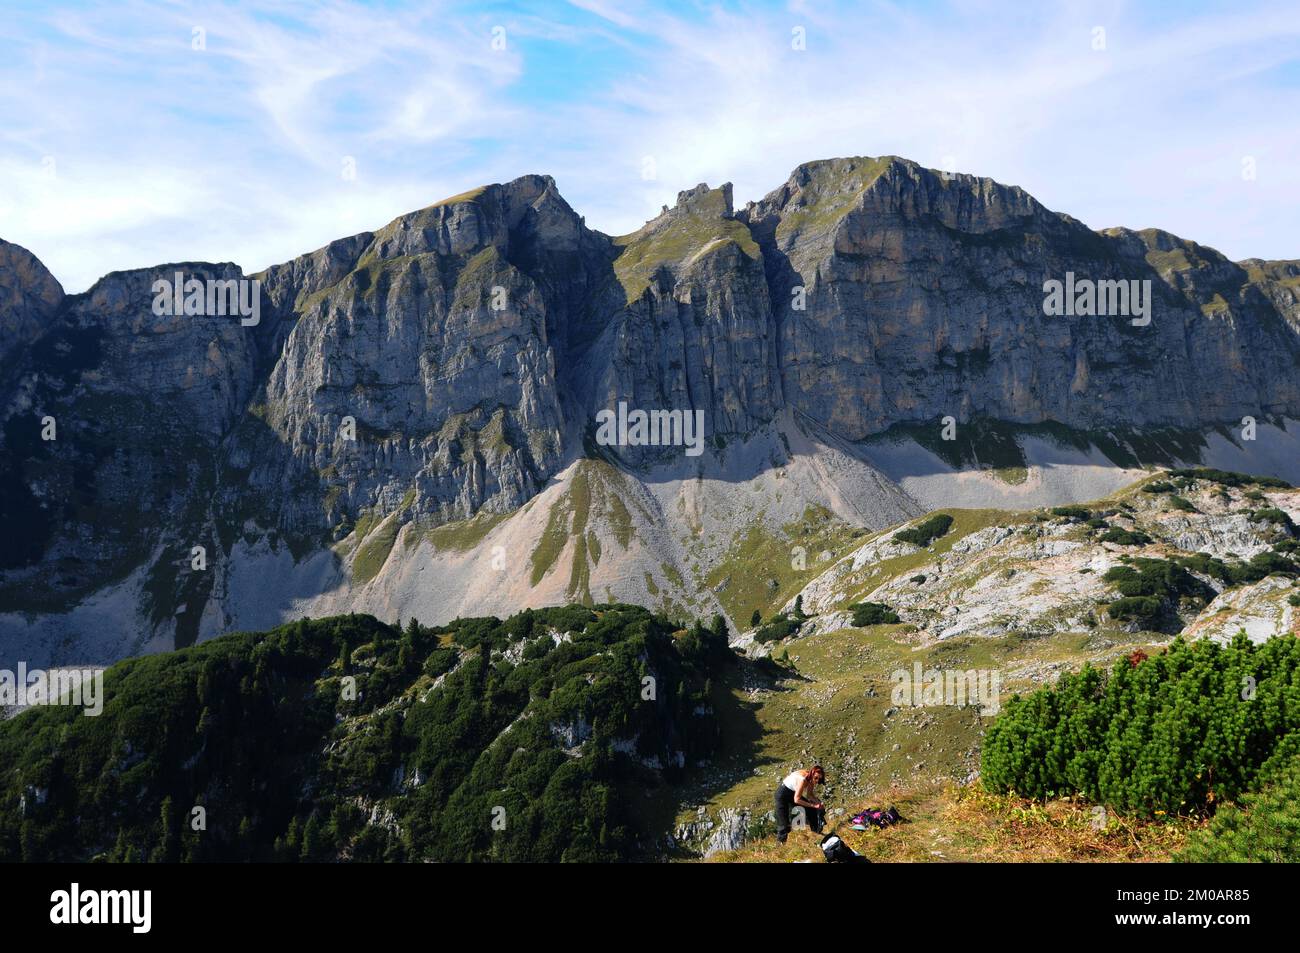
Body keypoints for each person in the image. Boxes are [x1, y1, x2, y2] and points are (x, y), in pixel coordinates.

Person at [775, 764, 826, 842]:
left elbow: (810, 795)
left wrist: (819, 803)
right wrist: (813, 805)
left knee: (811, 810)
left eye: (819, 779)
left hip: (792, 793)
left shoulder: (811, 778)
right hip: (782, 795)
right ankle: (779, 848)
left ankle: (817, 832)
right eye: (816, 778)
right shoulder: (803, 779)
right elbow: (797, 800)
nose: (817, 781)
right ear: (812, 774)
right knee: (784, 826)